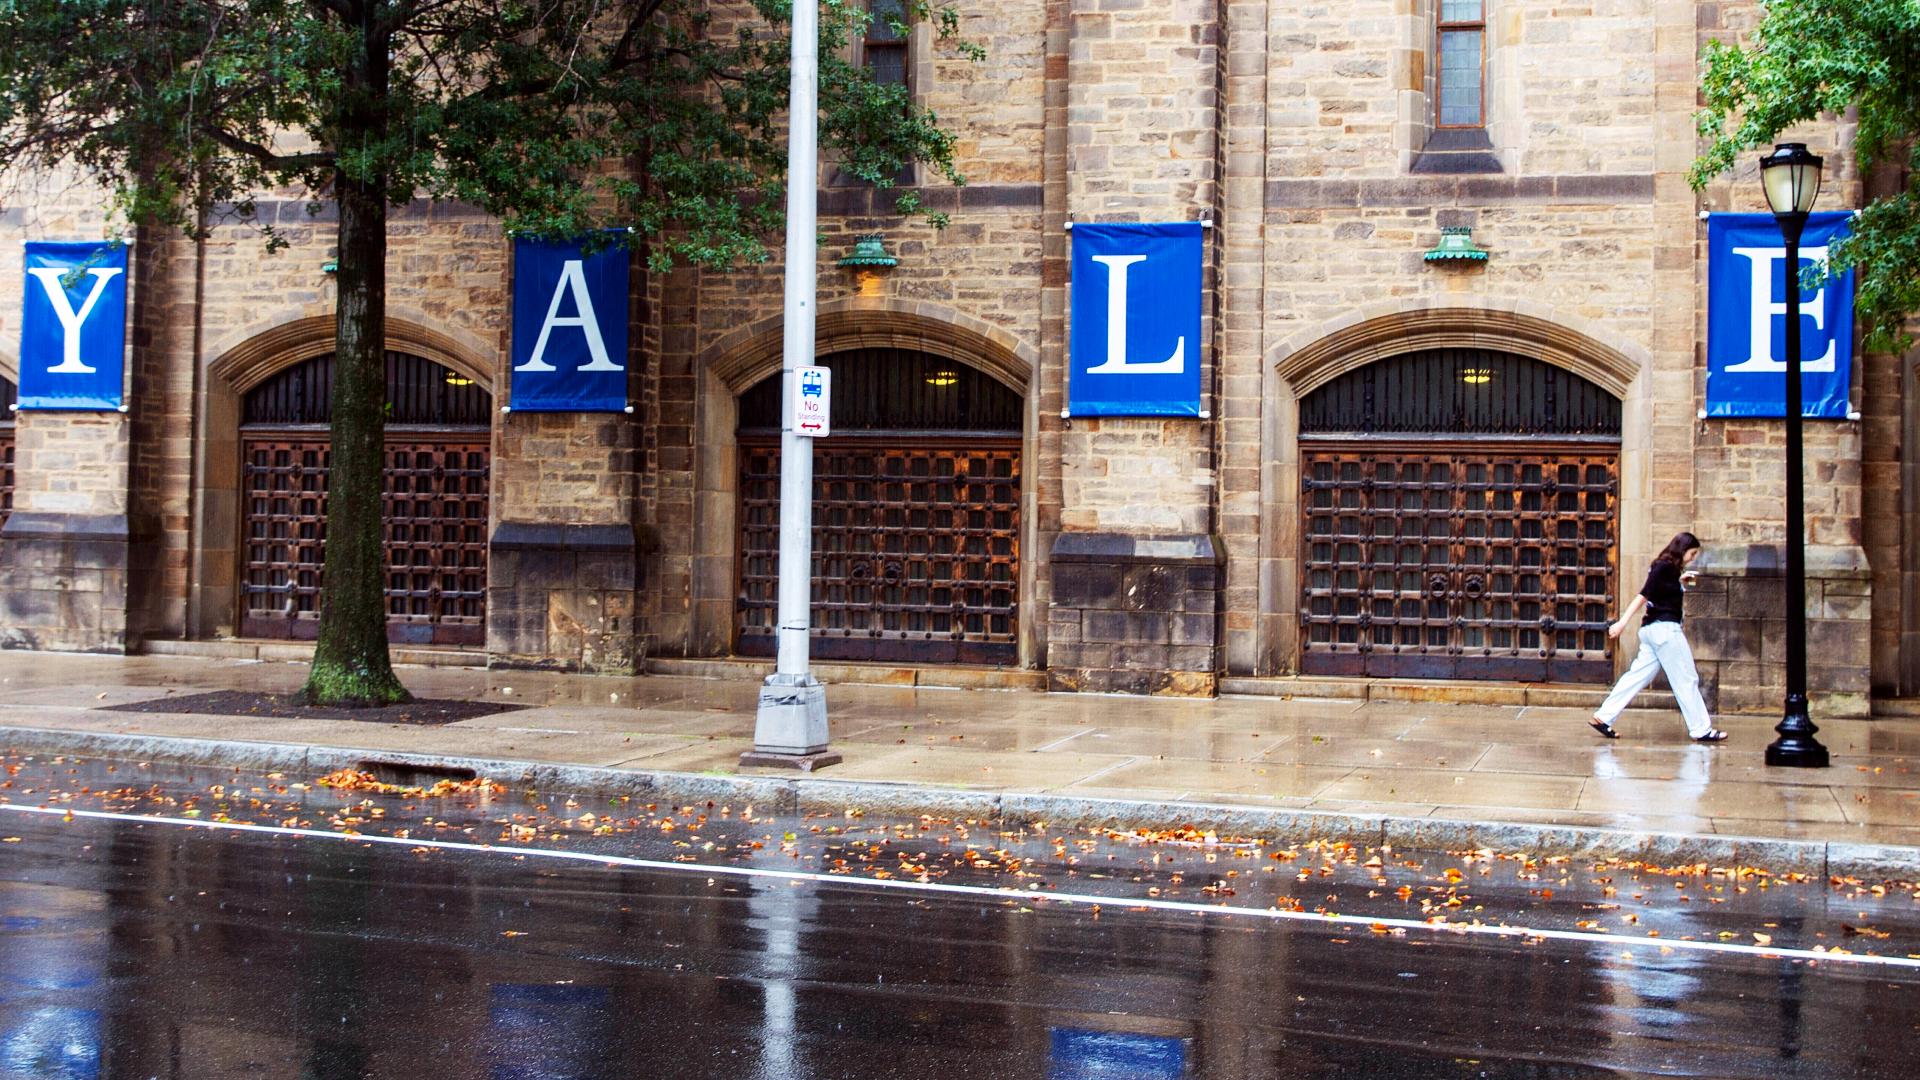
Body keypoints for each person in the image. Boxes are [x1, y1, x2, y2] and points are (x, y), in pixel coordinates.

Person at [1589, 531, 1727, 743]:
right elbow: (1644, 595)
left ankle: (1604, 716)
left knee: (1637, 676)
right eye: (1692, 553)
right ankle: (1701, 729)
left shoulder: (1667, 569)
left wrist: (1680, 581)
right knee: (1687, 678)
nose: (1693, 557)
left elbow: (1659, 593)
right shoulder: (1663, 567)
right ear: (1683, 549)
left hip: (1653, 631)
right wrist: (1622, 623)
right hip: (1665, 631)